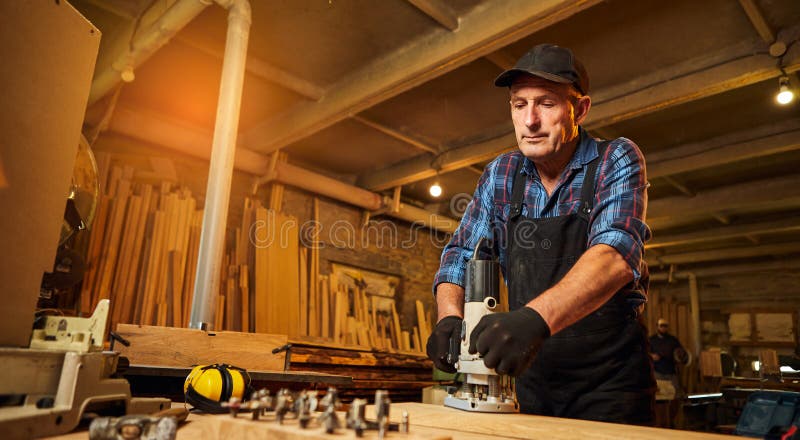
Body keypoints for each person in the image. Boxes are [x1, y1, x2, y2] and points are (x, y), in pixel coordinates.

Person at [426, 44, 655, 425]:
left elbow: (615, 254)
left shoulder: (614, 159)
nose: (530, 120)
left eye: (546, 104)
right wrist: (449, 318)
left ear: (579, 110)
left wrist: (533, 320)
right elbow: (461, 253)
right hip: (531, 382)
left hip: (610, 385)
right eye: (519, 105)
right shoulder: (501, 174)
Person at [649, 318, 689, 392]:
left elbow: (681, 352)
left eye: (665, 325)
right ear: (657, 326)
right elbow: (645, 353)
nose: (663, 327)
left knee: (675, 393)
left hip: (671, 372)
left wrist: (680, 356)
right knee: (659, 394)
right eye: (661, 325)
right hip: (657, 372)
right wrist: (652, 356)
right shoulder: (651, 340)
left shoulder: (673, 340)